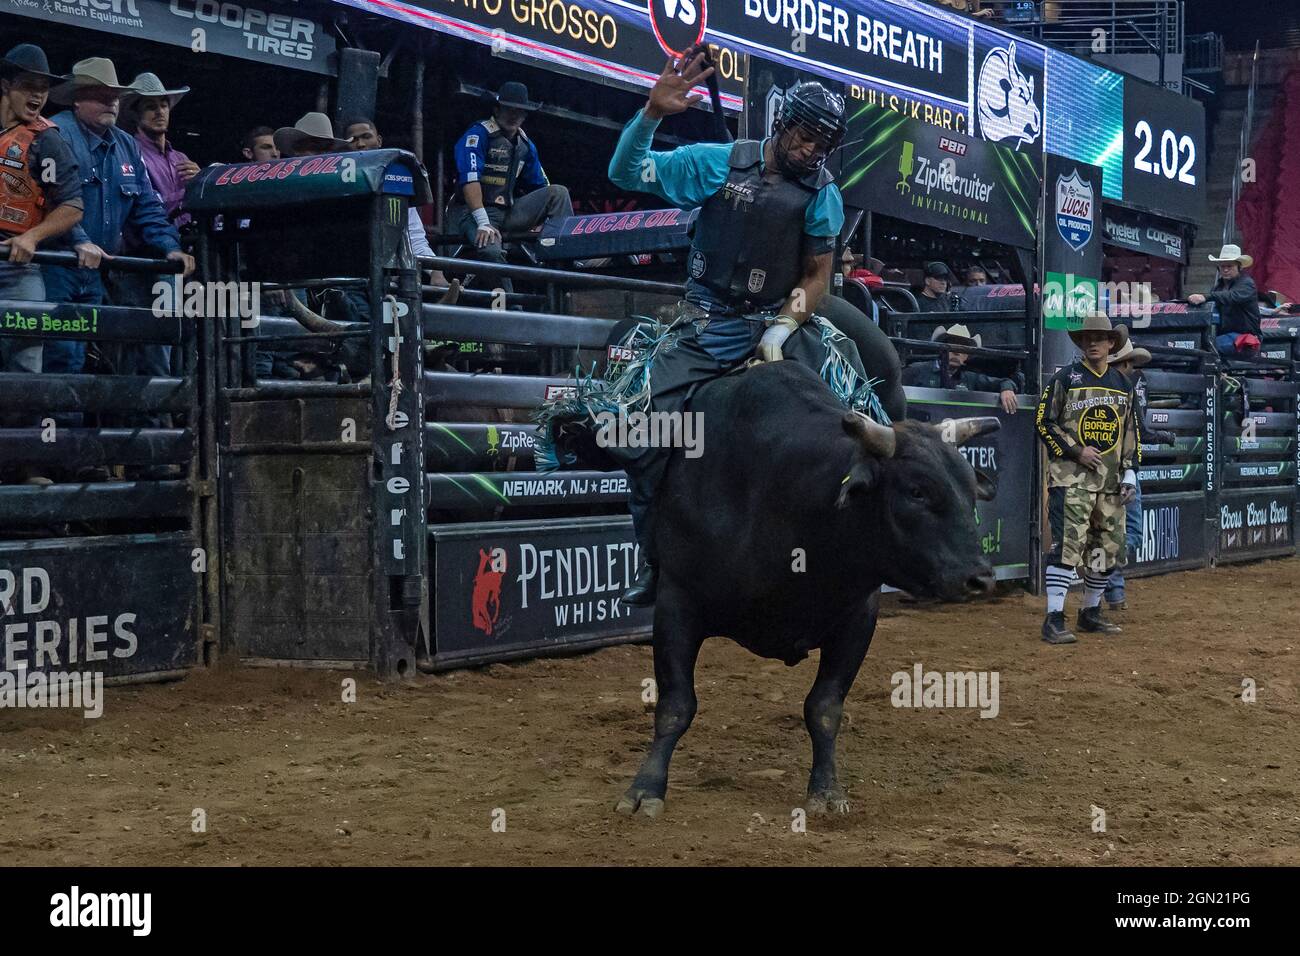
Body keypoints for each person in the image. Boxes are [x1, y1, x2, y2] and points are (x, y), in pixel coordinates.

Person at [604, 52, 849, 605]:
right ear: (782, 124)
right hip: (705, 322)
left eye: (822, 145)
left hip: (778, 325)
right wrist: (650, 115)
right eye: (805, 137)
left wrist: (783, 327)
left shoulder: (822, 194)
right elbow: (625, 173)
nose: (811, 152)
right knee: (639, 432)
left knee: (851, 425)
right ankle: (655, 560)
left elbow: (817, 275)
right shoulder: (716, 162)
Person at [44, 58, 193, 386]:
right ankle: (48, 432)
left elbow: (147, 206)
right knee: (59, 353)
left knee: (81, 355)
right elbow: (52, 198)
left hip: (96, 269)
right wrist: (79, 240)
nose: (110, 101)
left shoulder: (125, 145)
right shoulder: (56, 134)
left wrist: (169, 247)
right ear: (77, 99)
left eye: (114, 95)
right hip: (55, 264)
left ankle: (70, 432)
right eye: (100, 95)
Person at [0, 43, 86, 485]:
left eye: (43, 90)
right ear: (6, 86)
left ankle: (24, 463)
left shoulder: (46, 139)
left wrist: (32, 235)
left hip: (17, 266)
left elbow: (71, 205)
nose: (37, 97)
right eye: (28, 87)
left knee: (24, 362)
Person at [1035, 312, 1139, 644]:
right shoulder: (1065, 378)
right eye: (1087, 338)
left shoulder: (1123, 384)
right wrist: (1075, 450)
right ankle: (1053, 618)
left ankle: (1090, 613)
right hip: (1071, 478)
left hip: (1110, 481)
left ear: (1112, 343)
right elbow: (1044, 423)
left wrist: (1131, 473)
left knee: (1106, 548)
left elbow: (1130, 432)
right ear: (1081, 343)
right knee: (1067, 546)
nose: (1092, 342)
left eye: (1099, 337)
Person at [447, 81, 573, 284]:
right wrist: (482, 222)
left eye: (520, 111)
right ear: (497, 109)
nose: (514, 116)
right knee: (491, 252)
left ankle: (566, 257)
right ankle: (513, 308)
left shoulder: (526, 145)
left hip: (508, 211)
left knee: (558, 193)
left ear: (525, 115)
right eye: (509, 109)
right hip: (472, 213)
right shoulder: (478, 134)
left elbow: (541, 186)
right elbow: (469, 179)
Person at [1102, 339, 1176, 611]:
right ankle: (1110, 585)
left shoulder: (1123, 387)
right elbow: (1141, 432)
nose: (1132, 368)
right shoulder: (1124, 390)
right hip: (1121, 467)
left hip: (1117, 466)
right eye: (1128, 363)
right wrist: (1164, 436)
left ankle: (1112, 589)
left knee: (1121, 531)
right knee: (1128, 530)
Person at [343, 116, 448, 282]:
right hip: (347, 272)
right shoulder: (338, 183)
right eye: (353, 139)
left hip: (385, 276)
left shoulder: (397, 179)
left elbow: (413, 237)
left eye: (366, 136)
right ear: (344, 146)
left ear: (379, 141)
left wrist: (435, 270)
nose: (360, 144)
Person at [901, 324, 1019, 414]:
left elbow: (1005, 382)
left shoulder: (970, 378)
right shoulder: (916, 371)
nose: (957, 352)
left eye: (962, 349)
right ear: (941, 349)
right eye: (952, 346)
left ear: (967, 356)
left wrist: (1006, 389)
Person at [1187, 244, 1261, 358]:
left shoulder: (1247, 283)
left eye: (1229, 266)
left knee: (1207, 346)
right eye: (1222, 266)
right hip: (1224, 335)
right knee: (1196, 343)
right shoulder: (1218, 288)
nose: (1225, 270)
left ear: (1239, 267)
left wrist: (1205, 297)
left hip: (1246, 338)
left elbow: (1232, 296)